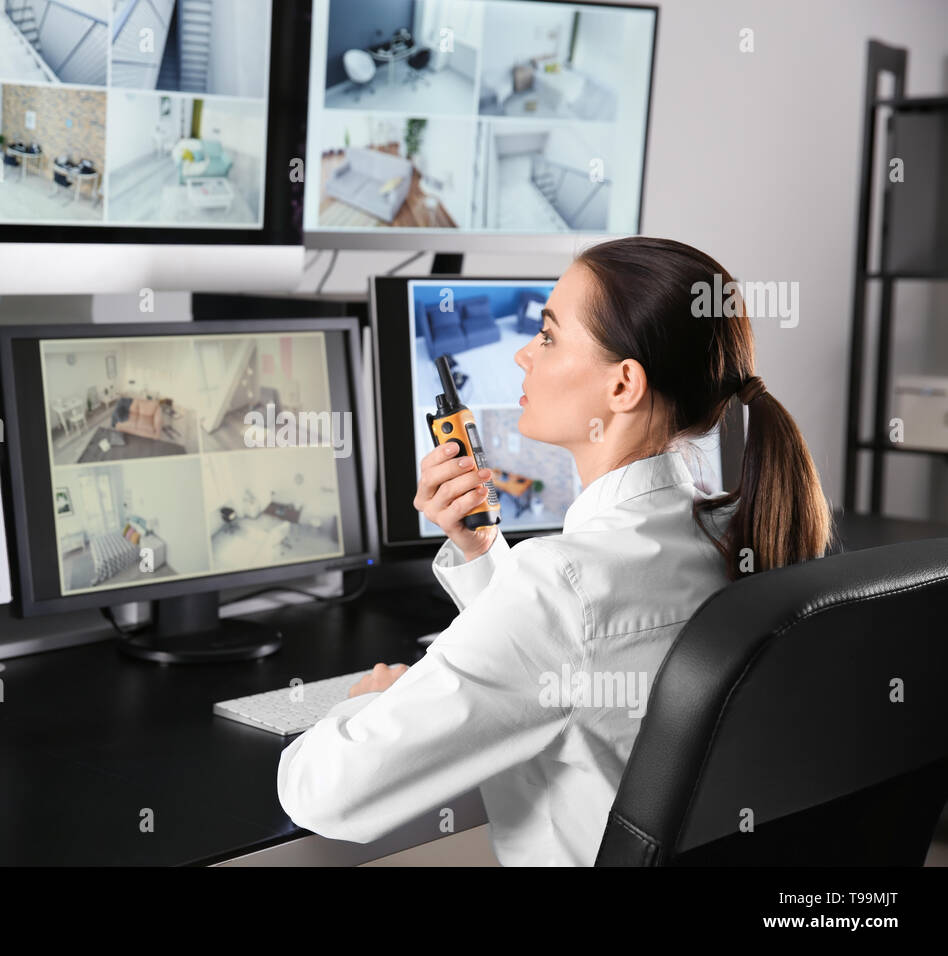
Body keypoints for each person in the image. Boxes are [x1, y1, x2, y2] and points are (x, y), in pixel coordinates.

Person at [276, 236, 836, 865]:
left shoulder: (562, 586)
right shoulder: (730, 531)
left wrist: (370, 702)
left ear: (623, 385)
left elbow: (323, 793)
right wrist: (484, 552)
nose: (523, 353)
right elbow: (570, 656)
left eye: (547, 337)